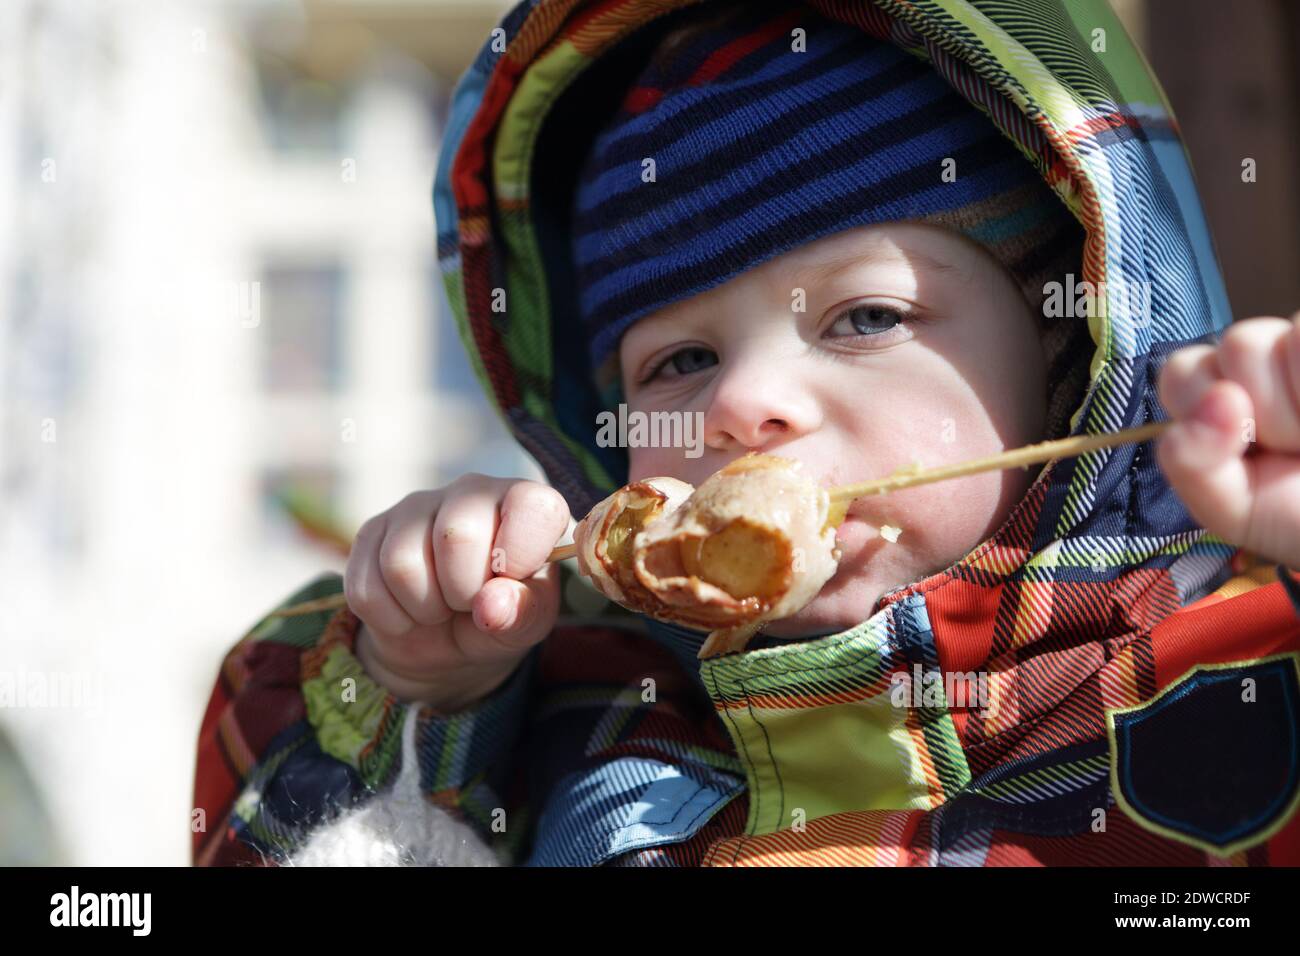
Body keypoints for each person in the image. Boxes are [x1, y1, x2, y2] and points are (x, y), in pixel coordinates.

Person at [193, 0, 1300, 867]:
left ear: (1072, 355)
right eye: (678, 360)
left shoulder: (1232, 667)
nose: (740, 403)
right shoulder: (576, 708)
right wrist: (414, 694)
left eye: (866, 317)